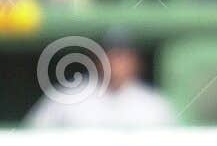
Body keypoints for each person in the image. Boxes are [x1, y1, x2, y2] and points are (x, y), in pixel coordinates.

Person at [24, 35, 178, 129]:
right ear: (97, 60)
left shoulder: (153, 103)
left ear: (135, 62)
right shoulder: (68, 97)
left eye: (124, 56)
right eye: (112, 55)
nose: (118, 63)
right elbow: (34, 133)